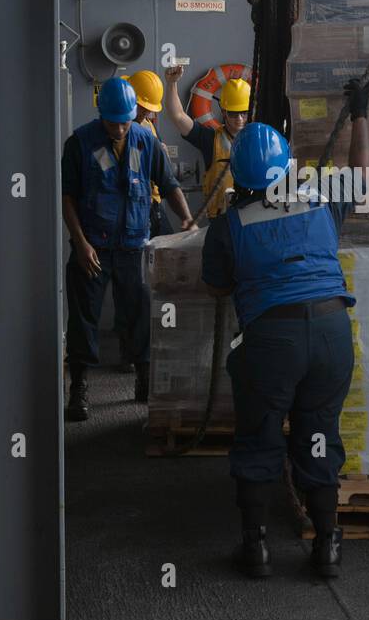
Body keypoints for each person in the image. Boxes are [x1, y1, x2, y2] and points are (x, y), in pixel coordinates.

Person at [201, 78, 369, 580]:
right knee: (318, 433)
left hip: (270, 341)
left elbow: (216, 288)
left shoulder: (229, 226)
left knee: (259, 436)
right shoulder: (322, 199)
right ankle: (327, 546)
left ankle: (255, 549)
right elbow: (363, 180)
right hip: (331, 332)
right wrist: (359, 114)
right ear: (285, 166)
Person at [61, 76, 193, 420]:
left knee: (139, 313)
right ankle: (79, 386)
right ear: (102, 115)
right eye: (114, 123)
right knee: (84, 318)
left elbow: (168, 183)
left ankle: (143, 378)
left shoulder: (144, 140)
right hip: (93, 247)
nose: (120, 129)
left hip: (133, 245)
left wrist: (187, 218)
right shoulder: (80, 143)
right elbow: (68, 197)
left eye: (125, 122)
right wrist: (80, 243)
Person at [164, 65, 251, 219]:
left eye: (244, 113)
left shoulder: (259, 138)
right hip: (222, 219)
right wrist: (171, 83)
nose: (239, 119)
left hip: (252, 215)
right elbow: (178, 116)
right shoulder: (210, 139)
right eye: (233, 114)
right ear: (223, 112)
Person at [123, 69, 175, 240]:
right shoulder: (118, 130)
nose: (146, 112)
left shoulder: (148, 127)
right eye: (142, 107)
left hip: (154, 203)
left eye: (148, 109)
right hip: (133, 206)